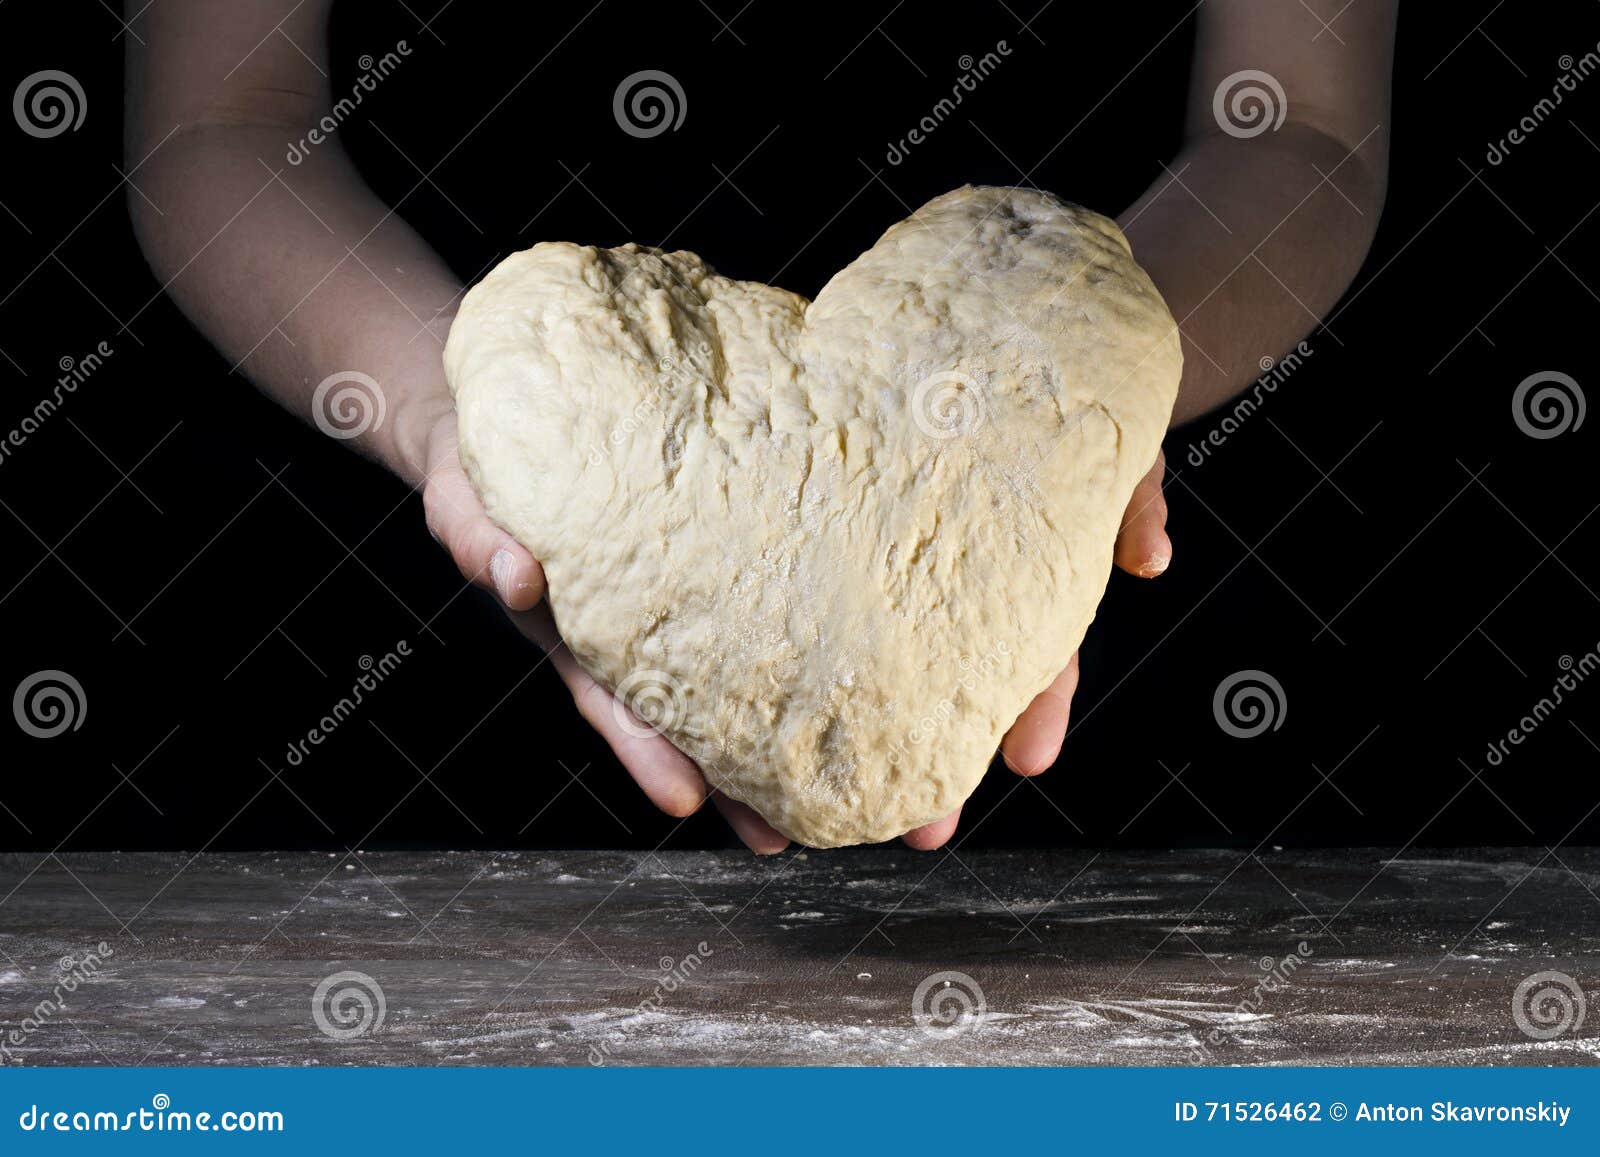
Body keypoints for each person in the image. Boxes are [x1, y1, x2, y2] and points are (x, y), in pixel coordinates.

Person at [126, 1, 1395, 853]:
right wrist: (438, 418)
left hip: (1097, 609)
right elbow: (219, 123)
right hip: (371, 651)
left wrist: (1082, 391)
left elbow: (1299, 124)